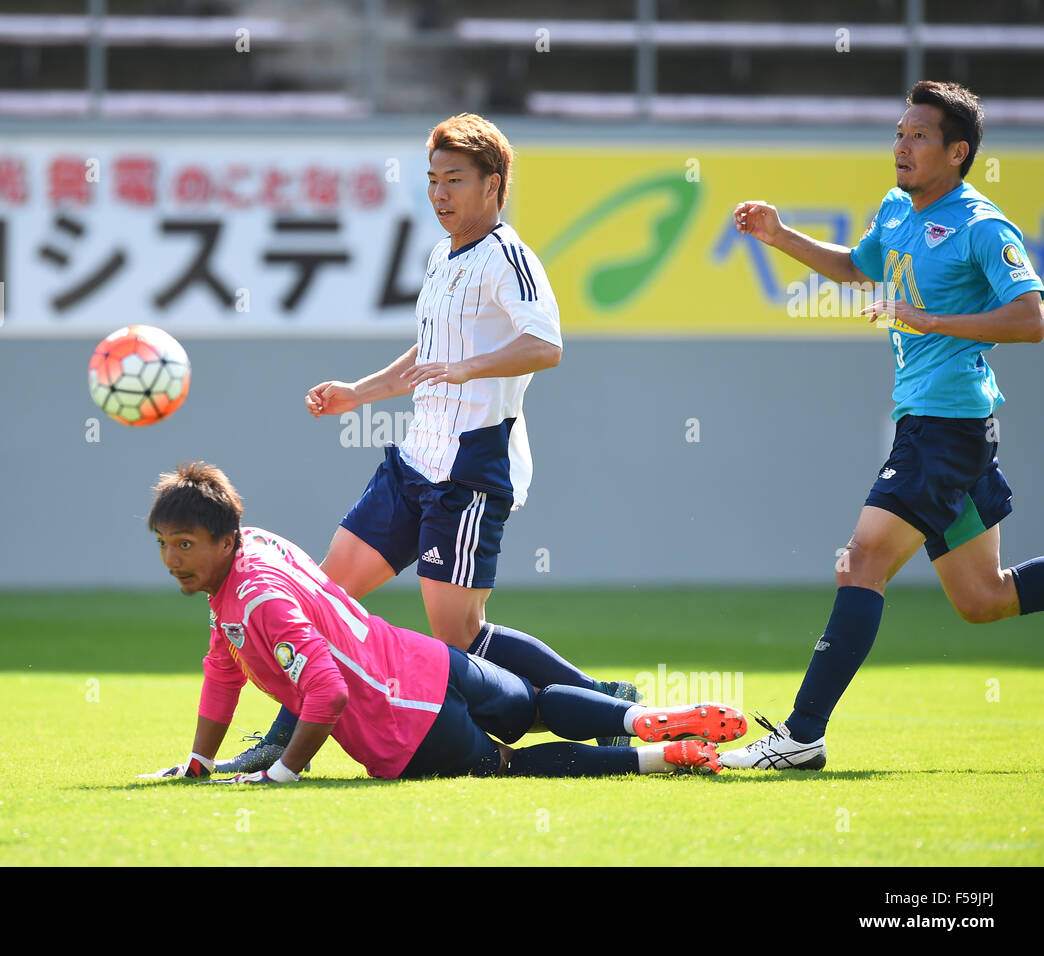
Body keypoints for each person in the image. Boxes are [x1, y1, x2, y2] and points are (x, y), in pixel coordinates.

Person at [219, 112, 639, 773]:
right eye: (433, 180)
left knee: (460, 636)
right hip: (413, 461)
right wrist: (359, 392)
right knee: (323, 597)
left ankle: (606, 703)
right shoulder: (440, 257)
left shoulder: (511, 258)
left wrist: (470, 366)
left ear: (494, 186)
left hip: (471, 471)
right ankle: (280, 736)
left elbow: (546, 345)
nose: (440, 194)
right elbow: (433, 351)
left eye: (455, 180)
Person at [722, 81, 1044, 771]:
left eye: (919, 135)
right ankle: (802, 737)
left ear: (958, 153)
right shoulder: (898, 210)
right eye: (899, 132)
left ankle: (801, 735)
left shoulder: (983, 225)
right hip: (934, 425)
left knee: (861, 561)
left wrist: (933, 320)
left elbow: (1030, 318)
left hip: (947, 427)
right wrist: (779, 236)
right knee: (984, 599)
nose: (901, 145)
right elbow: (856, 268)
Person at [138, 463, 747, 783]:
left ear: (224, 541)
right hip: (429, 661)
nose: (173, 560)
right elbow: (224, 668)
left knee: (509, 765)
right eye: (165, 544)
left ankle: (666, 758)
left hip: (403, 728)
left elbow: (327, 691)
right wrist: (200, 760)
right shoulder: (259, 547)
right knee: (534, 705)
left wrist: (284, 771)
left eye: (186, 544)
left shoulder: (256, 601)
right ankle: (639, 718)